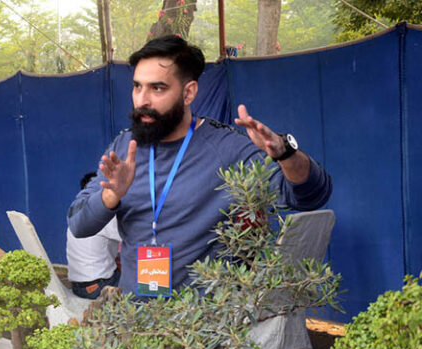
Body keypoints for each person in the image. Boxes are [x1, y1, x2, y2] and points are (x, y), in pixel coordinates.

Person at [68, 35, 332, 297]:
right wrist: (110, 195)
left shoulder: (226, 148)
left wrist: (285, 154)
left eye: (157, 88)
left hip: (200, 327)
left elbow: (310, 196)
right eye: (137, 87)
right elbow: (79, 225)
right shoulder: (125, 146)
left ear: (188, 92)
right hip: (134, 324)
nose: (142, 100)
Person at [66, 172, 121, 299]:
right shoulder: (101, 217)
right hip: (100, 286)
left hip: (78, 285)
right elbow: (133, 238)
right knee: (143, 285)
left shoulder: (75, 217)